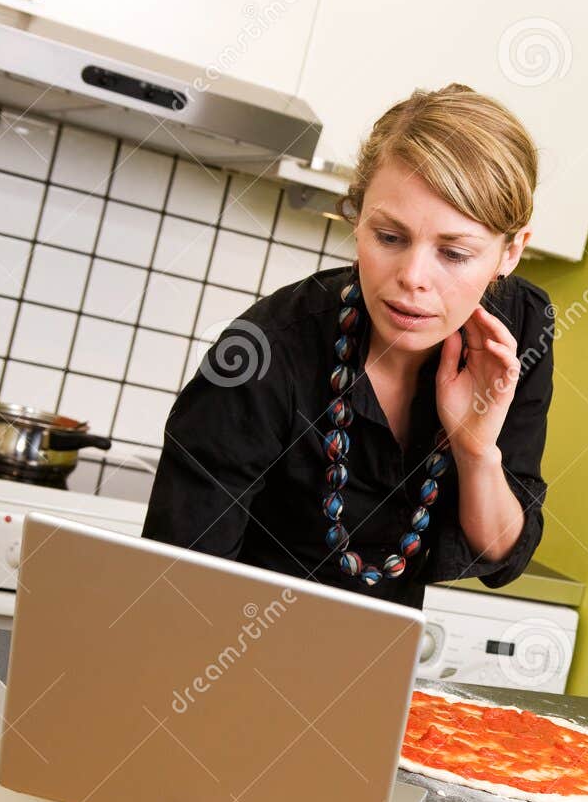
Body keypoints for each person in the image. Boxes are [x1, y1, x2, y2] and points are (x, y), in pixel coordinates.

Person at [143, 84, 553, 609]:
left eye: (453, 253)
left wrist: (475, 450)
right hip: (230, 659)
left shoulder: (519, 329)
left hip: (379, 668)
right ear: (357, 218)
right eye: (389, 237)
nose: (412, 278)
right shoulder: (262, 356)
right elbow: (172, 593)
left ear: (510, 251)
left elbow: (502, 554)